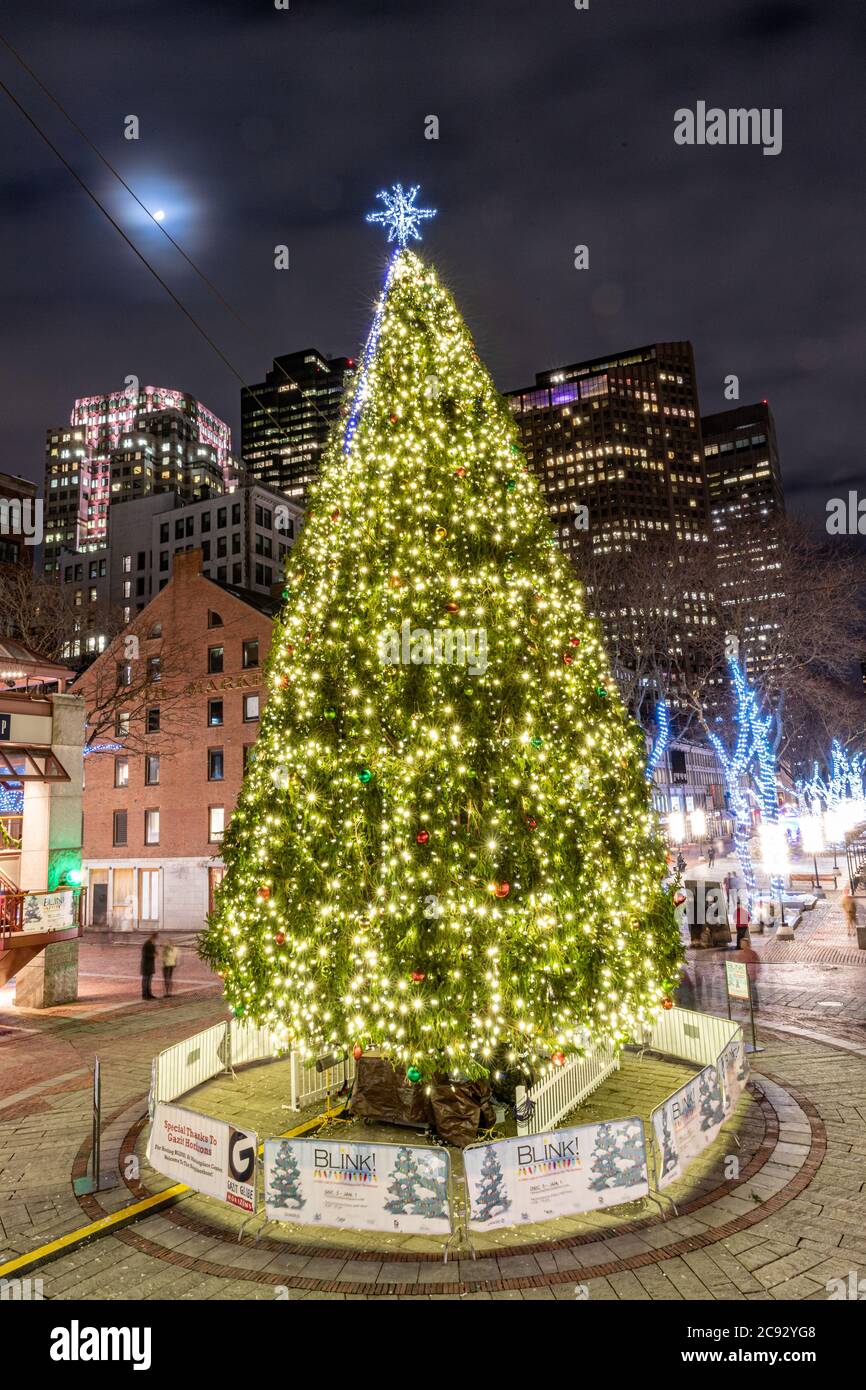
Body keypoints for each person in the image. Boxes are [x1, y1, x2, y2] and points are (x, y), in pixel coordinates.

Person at [140, 933, 157, 1000]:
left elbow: (153, 952)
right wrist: (153, 955)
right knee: (145, 980)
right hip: (146, 965)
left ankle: (149, 993)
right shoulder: (147, 944)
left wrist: (155, 952)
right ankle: (144, 995)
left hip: (150, 965)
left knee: (149, 981)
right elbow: (144, 954)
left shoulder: (152, 944)